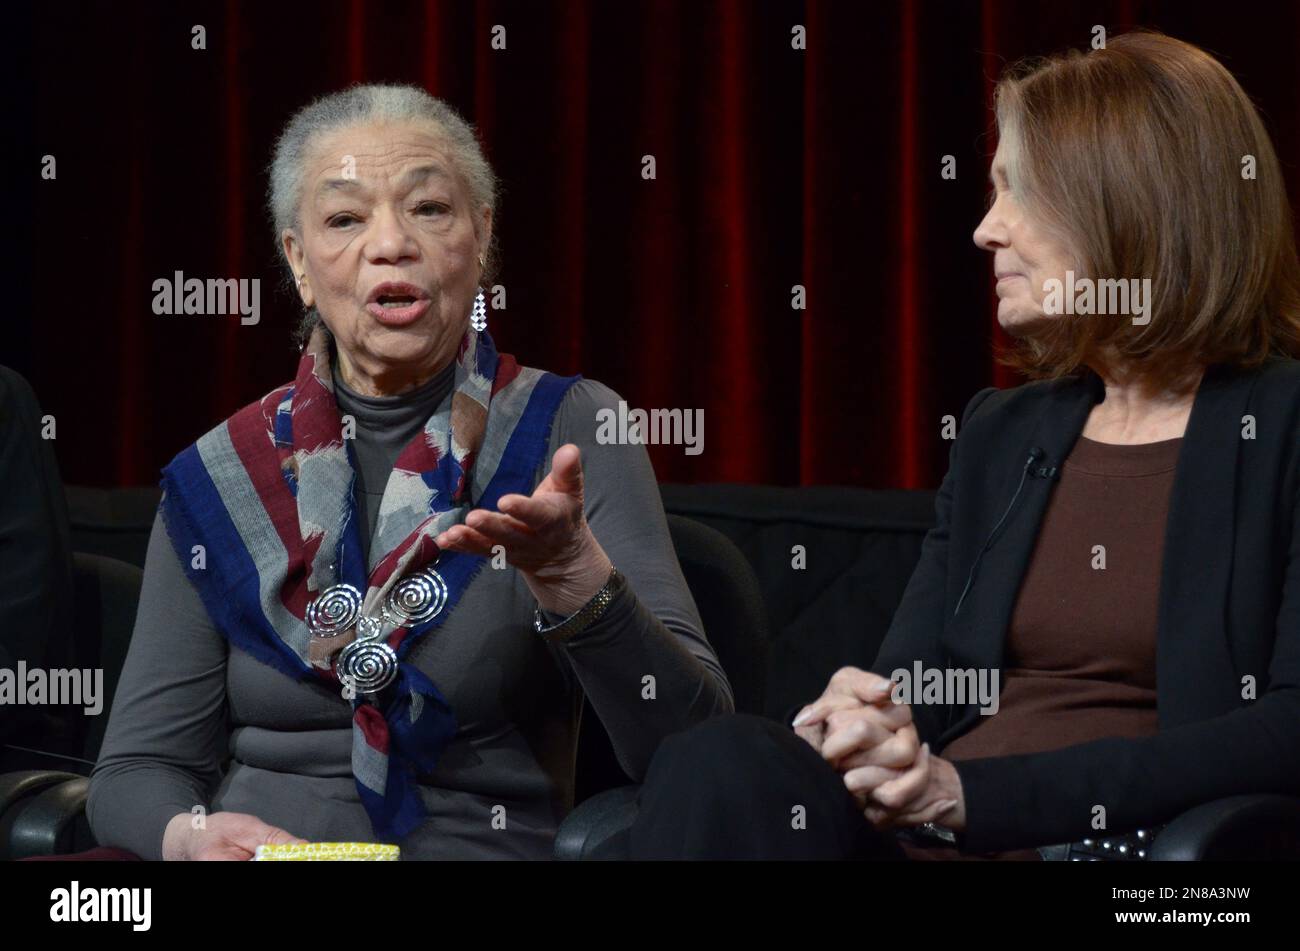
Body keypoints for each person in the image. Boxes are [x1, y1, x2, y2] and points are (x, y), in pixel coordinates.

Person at [628, 31, 1300, 860]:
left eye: (1019, 192)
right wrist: (871, 719)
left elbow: (1285, 728)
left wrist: (972, 795)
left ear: (1131, 199)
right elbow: (924, 682)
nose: (987, 230)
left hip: (1113, 852)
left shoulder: (1283, 427)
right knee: (721, 758)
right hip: (929, 837)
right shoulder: (1001, 433)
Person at [86, 84, 733, 861]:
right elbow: (134, 769)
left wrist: (575, 582)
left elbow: (698, 753)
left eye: (428, 208)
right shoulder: (225, 476)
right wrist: (187, 836)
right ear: (297, 261)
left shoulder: (568, 427)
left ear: (482, 236)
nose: (390, 243)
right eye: (345, 218)